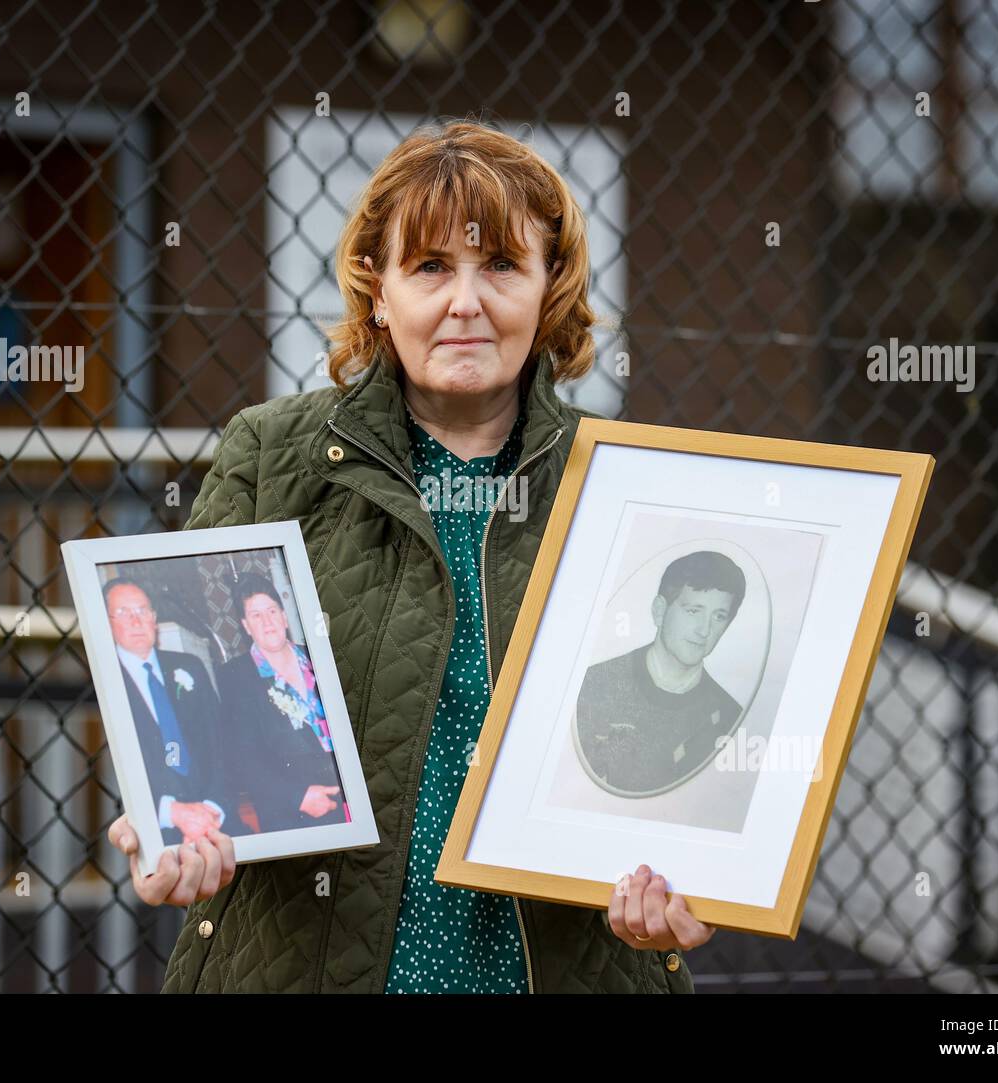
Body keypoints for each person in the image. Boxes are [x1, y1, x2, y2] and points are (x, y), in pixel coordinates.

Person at [108, 119, 715, 992]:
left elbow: (674, 759)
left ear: (550, 287)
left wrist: (691, 874)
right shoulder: (269, 457)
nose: (465, 301)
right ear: (377, 290)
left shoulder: (631, 486)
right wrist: (172, 823)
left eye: (500, 265)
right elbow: (196, 705)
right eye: (430, 266)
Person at [575, 550, 747, 794]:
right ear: (659, 611)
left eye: (719, 616)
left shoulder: (731, 718)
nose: (705, 630)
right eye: (693, 611)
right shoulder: (593, 684)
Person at [216, 572, 347, 832]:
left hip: (350, 800)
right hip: (293, 816)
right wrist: (296, 796)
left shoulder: (318, 657)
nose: (267, 622)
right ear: (246, 625)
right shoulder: (235, 675)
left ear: (285, 617)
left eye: (272, 611)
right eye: (256, 615)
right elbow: (242, 758)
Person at [104, 577, 228, 846]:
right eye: (124, 613)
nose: (136, 621)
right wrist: (171, 812)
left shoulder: (190, 666)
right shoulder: (103, 683)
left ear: (154, 619)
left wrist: (213, 809)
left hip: (217, 819)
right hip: (152, 831)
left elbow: (220, 742)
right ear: (106, 623)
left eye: (142, 611)